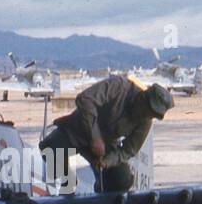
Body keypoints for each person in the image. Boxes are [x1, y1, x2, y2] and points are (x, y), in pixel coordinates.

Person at [39, 76, 173, 192]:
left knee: (121, 181)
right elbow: (85, 99)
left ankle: (99, 201)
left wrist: (107, 161)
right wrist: (95, 136)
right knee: (49, 149)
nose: (146, 116)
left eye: (152, 115)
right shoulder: (119, 87)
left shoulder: (146, 120)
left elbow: (128, 150)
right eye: (147, 110)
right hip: (76, 130)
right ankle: (67, 183)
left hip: (105, 147)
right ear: (143, 97)